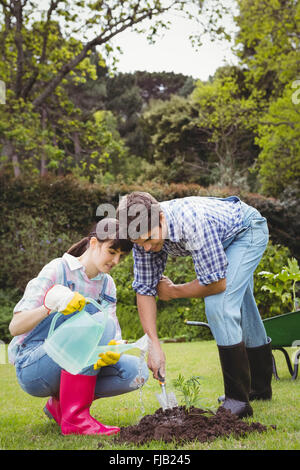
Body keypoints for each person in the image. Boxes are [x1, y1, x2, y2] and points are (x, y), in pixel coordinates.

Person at [117, 192, 273, 418]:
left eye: (150, 239)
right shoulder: (143, 233)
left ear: (161, 218)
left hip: (246, 231)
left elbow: (216, 284)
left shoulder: (191, 222)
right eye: (140, 243)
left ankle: (238, 400)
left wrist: (173, 291)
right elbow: (144, 289)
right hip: (223, 238)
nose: (147, 248)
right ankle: (259, 388)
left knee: (219, 304)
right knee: (242, 305)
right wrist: (154, 346)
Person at [8, 218, 149, 436]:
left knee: (137, 372)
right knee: (94, 317)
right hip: (33, 364)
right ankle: (75, 418)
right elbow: (15, 327)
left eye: (122, 256)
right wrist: (49, 306)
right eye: (112, 251)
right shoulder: (58, 270)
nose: (116, 260)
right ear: (94, 243)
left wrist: (112, 350)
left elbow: (113, 332)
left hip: (69, 364)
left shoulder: (107, 284)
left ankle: (61, 406)